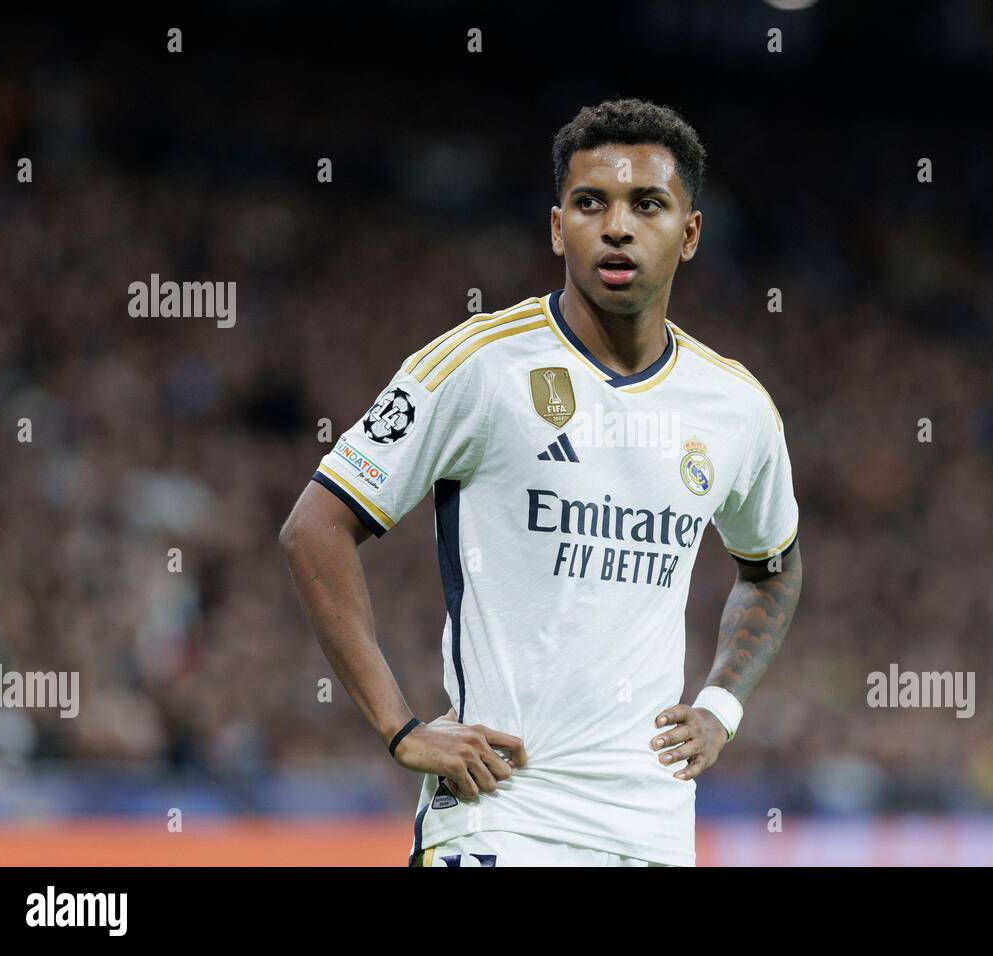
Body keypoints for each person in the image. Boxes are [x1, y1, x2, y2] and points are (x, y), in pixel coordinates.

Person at [279, 98, 803, 867]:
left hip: (650, 830)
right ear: (559, 227)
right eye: (590, 203)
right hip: (502, 819)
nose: (616, 226)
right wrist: (401, 728)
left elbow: (773, 568)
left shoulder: (735, 408)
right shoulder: (478, 366)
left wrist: (720, 707)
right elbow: (314, 529)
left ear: (690, 234)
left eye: (647, 204)